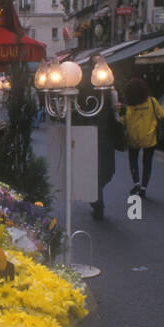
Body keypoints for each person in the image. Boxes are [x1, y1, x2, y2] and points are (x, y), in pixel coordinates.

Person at [73, 68, 119, 219]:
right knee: (90, 170)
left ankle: (93, 191)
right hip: (88, 132)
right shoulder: (83, 89)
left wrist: (120, 107)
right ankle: (97, 202)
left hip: (107, 134)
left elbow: (119, 107)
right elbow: (75, 111)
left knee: (108, 170)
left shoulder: (109, 89)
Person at [121, 76, 164, 199]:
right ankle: (144, 188)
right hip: (150, 138)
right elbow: (162, 115)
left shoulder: (128, 106)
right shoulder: (152, 101)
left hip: (133, 138)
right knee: (147, 162)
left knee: (133, 161)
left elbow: (122, 121)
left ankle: (136, 183)